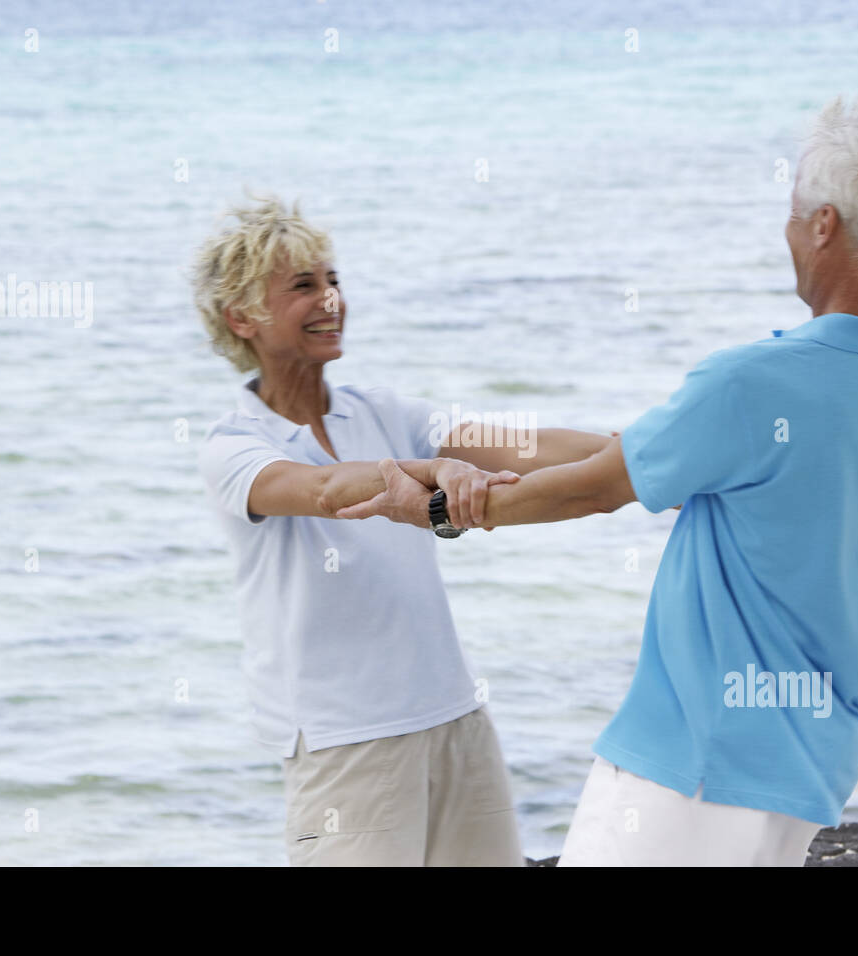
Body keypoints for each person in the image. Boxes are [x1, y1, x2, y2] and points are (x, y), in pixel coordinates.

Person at [337, 97, 858, 866]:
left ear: (825, 225)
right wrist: (461, 446)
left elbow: (595, 487)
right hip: (814, 761)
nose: (789, 229)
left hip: (698, 759)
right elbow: (627, 454)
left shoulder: (754, 384)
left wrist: (439, 508)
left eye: (796, 211)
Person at [192, 196, 611, 866]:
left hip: (455, 719)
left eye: (334, 281)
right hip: (344, 743)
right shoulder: (235, 446)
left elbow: (514, 442)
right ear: (241, 316)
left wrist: (639, 451)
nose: (330, 298)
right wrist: (434, 469)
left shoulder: (381, 411)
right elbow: (325, 491)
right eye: (304, 286)